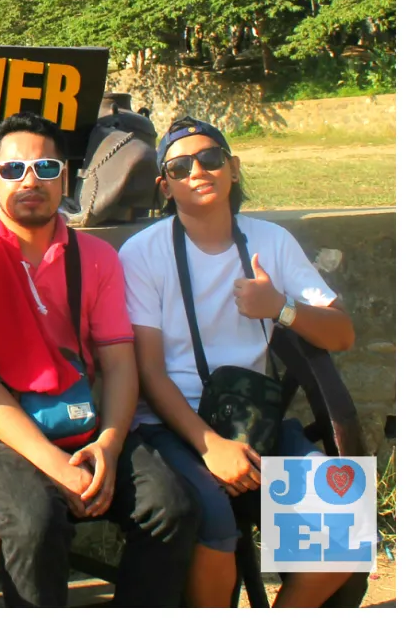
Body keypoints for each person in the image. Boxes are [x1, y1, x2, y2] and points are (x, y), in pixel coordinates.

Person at [0, 111, 199, 607]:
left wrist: (108, 445)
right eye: (13, 170)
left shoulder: (94, 257)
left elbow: (119, 363)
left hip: (79, 414)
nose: (30, 181)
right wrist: (58, 468)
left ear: (65, 177)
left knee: (170, 506)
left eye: (46, 169)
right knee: (33, 521)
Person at [122, 116, 357, 607]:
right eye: (180, 166)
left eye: (210, 159)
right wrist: (210, 446)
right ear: (165, 186)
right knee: (216, 527)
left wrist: (281, 308)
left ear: (233, 167)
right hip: (173, 420)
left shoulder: (269, 241)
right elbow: (147, 371)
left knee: (341, 528)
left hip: (253, 418)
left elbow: (341, 334)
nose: (198, 172)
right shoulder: (144, 253)